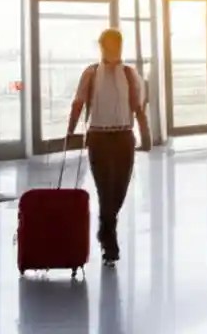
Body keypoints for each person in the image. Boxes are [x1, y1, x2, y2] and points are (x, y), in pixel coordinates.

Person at [66, 28, 150, 266]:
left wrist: (146, 137)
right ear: (101, 47)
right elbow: (79, 101)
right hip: (99, 138)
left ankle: (105, 229)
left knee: (120, 190)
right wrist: (70, 129)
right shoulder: (91, 73)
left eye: (116, 46)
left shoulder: (130, 73)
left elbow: (139, 107)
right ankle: (110, 244)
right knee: (105, 190)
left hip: (124, 137)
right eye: (108, 46)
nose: (112, 50)